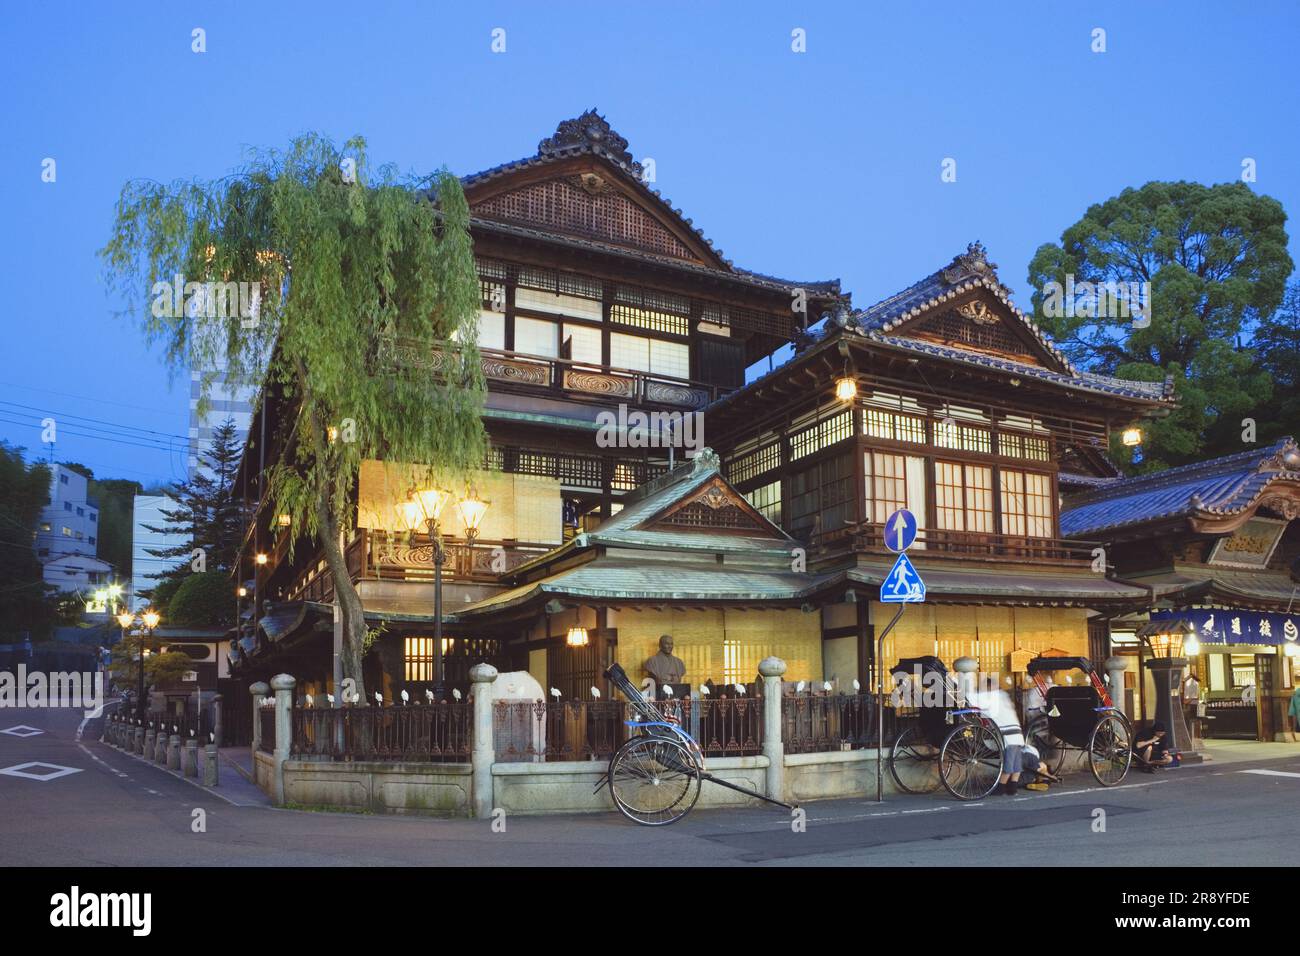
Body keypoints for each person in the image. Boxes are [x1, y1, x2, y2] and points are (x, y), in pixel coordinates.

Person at [969, 687, 1025, 795]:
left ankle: (1001, 787)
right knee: (1016, 763)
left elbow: (971, 699)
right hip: (1017, 733)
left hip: (1008, 735)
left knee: (1008, 764)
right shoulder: (1003, 695)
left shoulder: (988, 697)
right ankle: (1013, 787)